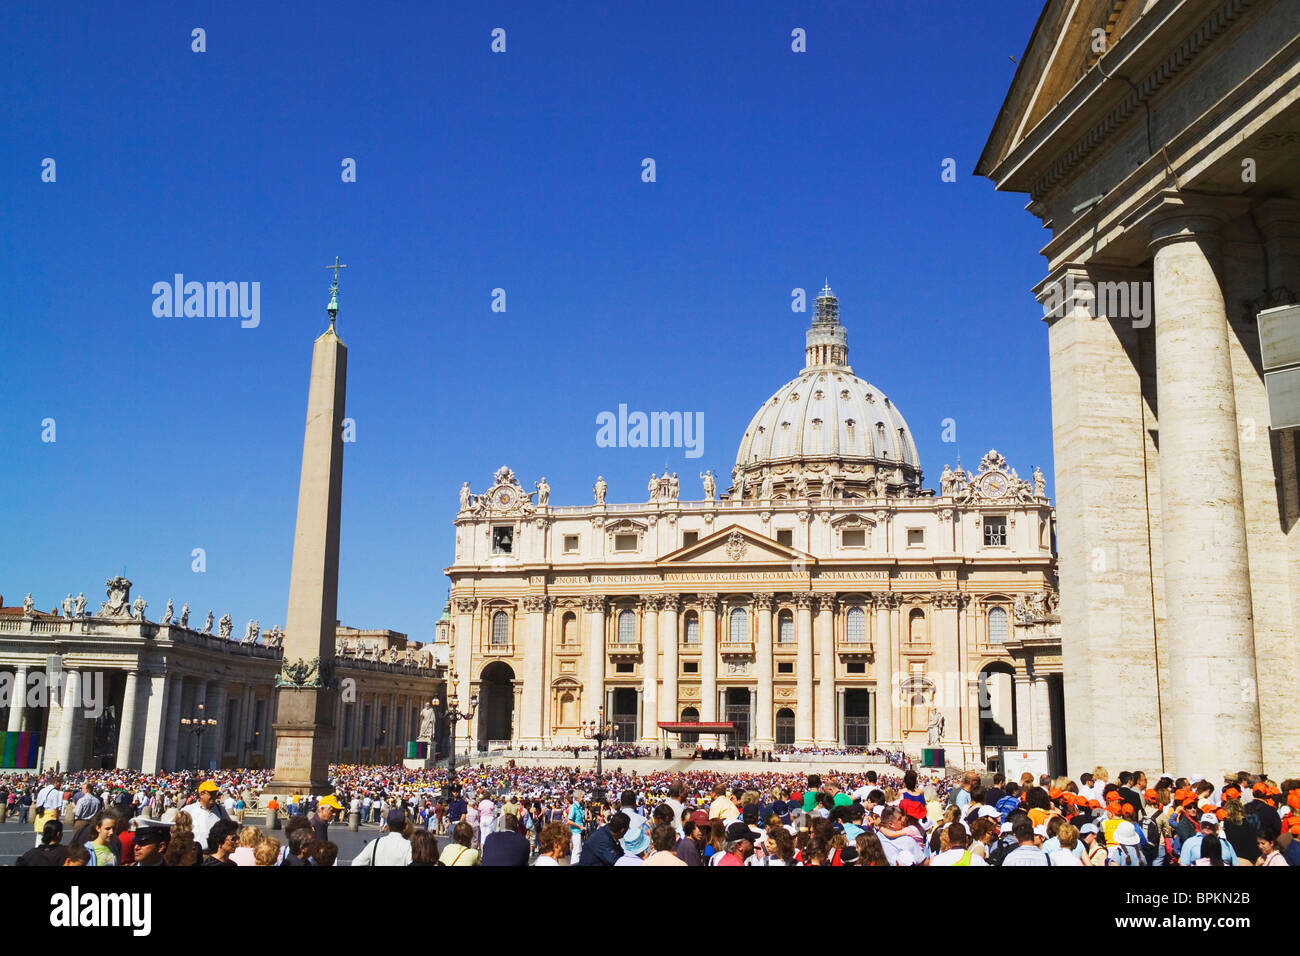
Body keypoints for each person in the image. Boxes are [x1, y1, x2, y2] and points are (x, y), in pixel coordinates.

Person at [186, 780, 231, 852]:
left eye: (215, 793)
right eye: (211, 793)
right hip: (194, 854)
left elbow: (229, 829)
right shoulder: (189, 810)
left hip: (215, 854)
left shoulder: (221, 810)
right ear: (201, 794)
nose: (214, 796)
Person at [567, 792, 587, 860]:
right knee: (577, 851)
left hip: (581, 832)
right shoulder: (573, 807)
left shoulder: (581, 807)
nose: (584, 799)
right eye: (582, 797)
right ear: (577, 798)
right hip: (575, 832)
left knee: (580, 850)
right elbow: (569, 821)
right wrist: (579, 827)